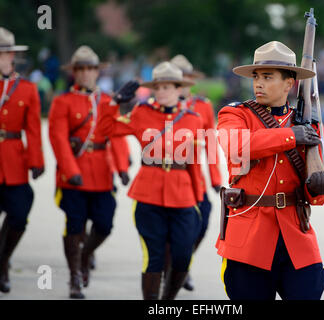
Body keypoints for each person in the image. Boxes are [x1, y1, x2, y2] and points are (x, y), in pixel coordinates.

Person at [217, 41, 324, 300]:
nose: (258, 83)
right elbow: (237, 146)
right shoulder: (235, 114)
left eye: (267, 77)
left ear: (289, 83)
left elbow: (317, 196)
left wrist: (318, 187)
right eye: (256, 77)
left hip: (295, 236)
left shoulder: (308, 124)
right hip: (249, 240)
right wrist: (291, 135)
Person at [97, 61, 204, 300]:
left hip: (182, 195)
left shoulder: (193, 119)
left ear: (179, 89)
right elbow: (106, 129)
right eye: (159, 86)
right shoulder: (141, 113)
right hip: (148, 193)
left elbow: (194, 164)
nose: (163, 91)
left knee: (183, 254)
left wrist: (198, 199)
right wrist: (114, 102)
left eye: (169, 86)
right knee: (154, 255)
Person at [48, 45, 131, 299]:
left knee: (104, 224)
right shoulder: (62, 101)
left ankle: (85, 256)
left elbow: (115, 136)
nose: (86, 74)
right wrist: (70, 170)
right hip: (73, 174)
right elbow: (58, 138)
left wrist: (122, 167)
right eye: (81, 69)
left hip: (101, 172)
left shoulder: (107, 101)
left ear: (97, 72)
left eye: (90, 69)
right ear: (74, 72)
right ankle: (74, 276)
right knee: (74, 225)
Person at [170, 54, 222, 291]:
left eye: (186, 77)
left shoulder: (202, 106)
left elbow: (210, 143)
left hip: (195, 178)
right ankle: (174, 268)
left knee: (201, 223)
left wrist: (216, 179)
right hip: (167, 176)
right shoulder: (157, 105)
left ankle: (182, 264)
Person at [0, 27, 45, 293]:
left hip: (14, 160)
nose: (4, 58)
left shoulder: (27, 89)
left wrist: (36, 159)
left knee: (19, 214)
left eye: (7, 53)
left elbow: (34, 129)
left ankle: (3, 260)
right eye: (1, 53)